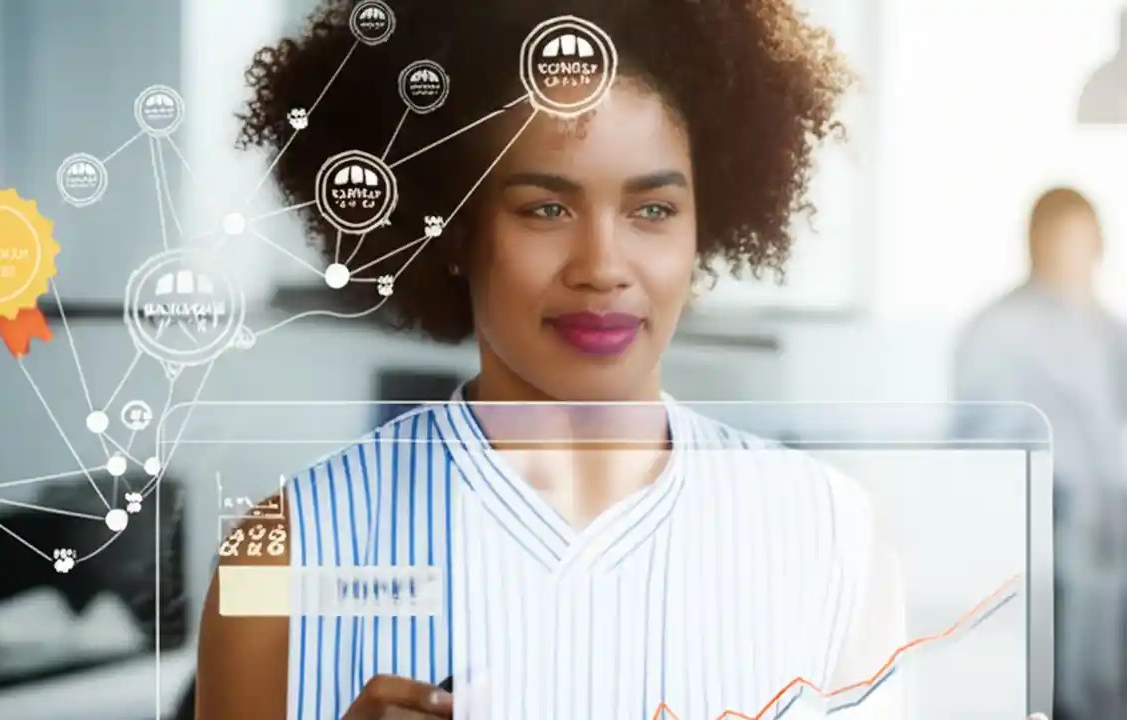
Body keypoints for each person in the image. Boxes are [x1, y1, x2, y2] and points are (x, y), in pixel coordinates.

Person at [196, 1, 1044, 718]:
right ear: (453, 227)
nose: (602, 266)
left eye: (652, 211)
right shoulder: (287, 555)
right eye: (543, 209)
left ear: (706, 228)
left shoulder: (831, 539)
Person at [954, 187, 1127, 720]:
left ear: (1099, 245)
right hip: (1037, 523)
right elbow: (977, 441)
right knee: (1049, 677)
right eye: (1059, 242)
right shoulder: (999, 329)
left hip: (1109, 522)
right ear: (1033, 246)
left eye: (1080, 242)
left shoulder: (1109, 332)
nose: (1071, 256)